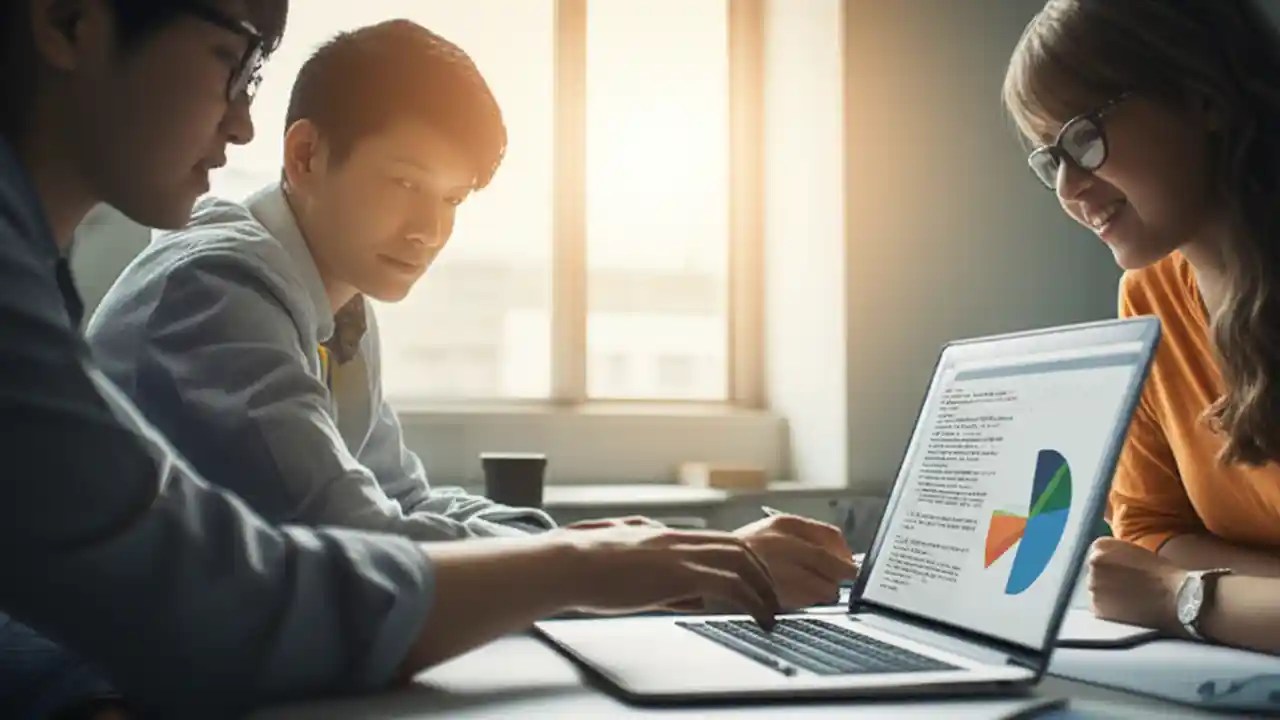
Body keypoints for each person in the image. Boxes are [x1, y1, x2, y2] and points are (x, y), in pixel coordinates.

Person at [0, 1, 856, 716]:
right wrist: (619, 563)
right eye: (405, 183)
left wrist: (626, 554)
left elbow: (401, 499)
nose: (428, 230)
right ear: (305, 157)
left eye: (450, 200)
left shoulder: (338, 309)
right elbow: (354, 539)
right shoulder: (216, 283)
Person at [1002, 0, 1280, 654]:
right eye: (1051, 160)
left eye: (1083, 138)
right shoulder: (1149, 296)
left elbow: (1152, 575)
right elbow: (1149, 531)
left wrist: (1182, 595)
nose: (1070, 188)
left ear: (1203, 96)